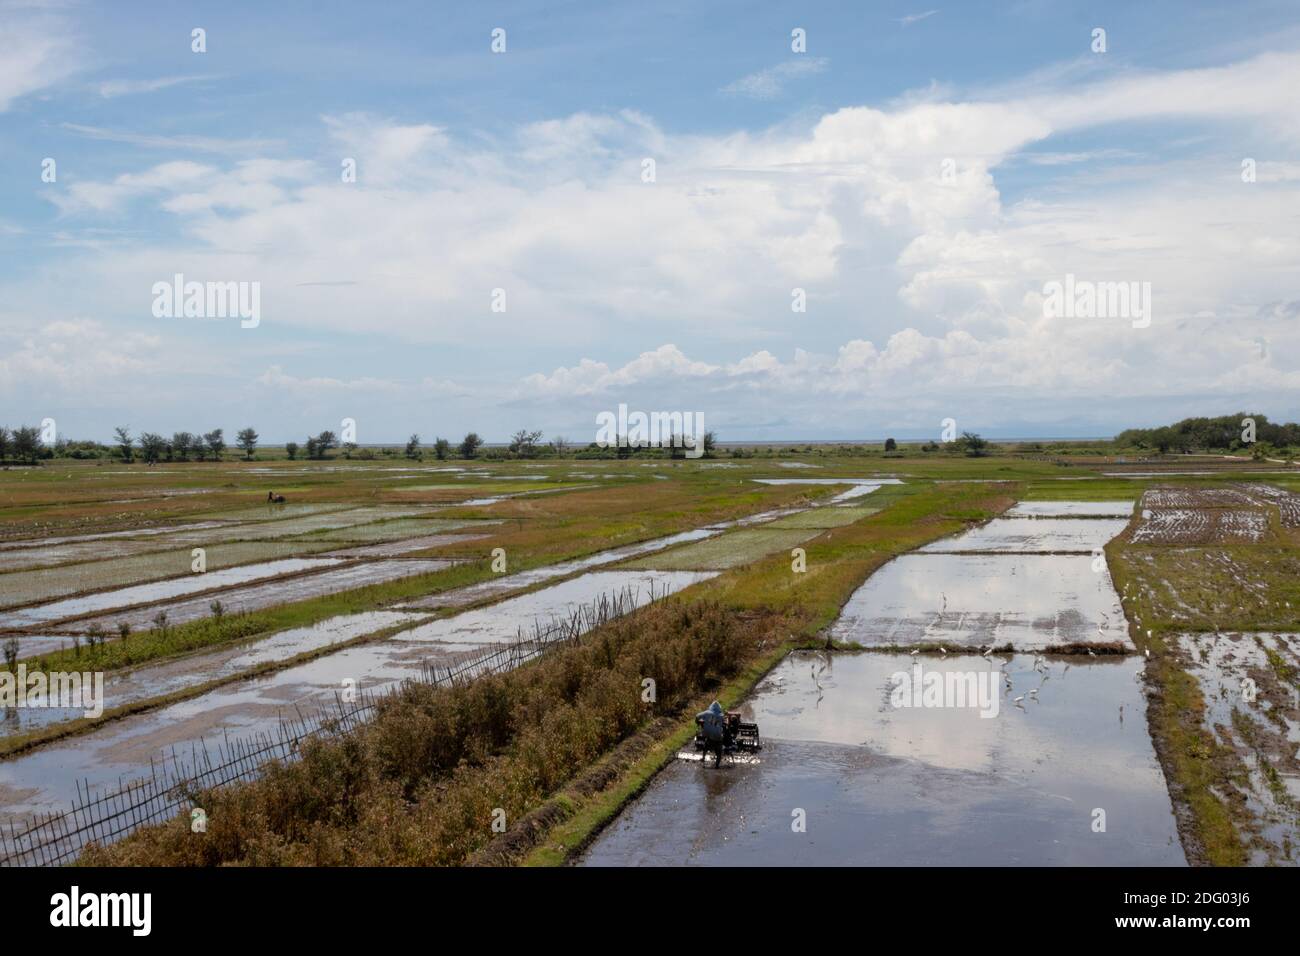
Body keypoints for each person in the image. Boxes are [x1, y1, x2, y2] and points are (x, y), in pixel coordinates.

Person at [696, 700, 727, 768]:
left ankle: (703, 758)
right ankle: (717, 765)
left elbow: (697, 716)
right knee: (719, 752)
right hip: (718, 737)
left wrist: (698, 723)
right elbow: (724, 724)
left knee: (706, 747)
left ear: (711, 707)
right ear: (719, 708)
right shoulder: (721, 715)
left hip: (709, 735)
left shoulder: (707, 713)